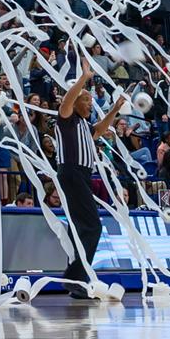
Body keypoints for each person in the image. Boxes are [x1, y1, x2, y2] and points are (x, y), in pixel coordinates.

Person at [55, 64, 125, 298]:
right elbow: (67, 100)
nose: (90, 104)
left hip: (82, 175)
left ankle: (79, 282)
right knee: (92, 226)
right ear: (76, 102)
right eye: (86, 100)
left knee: (80, 229)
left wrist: (115, 109)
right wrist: (84, 78)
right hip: (71, 172)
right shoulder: (66, 118)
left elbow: (100, 129)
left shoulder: (84, 125)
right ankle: (74, 277)